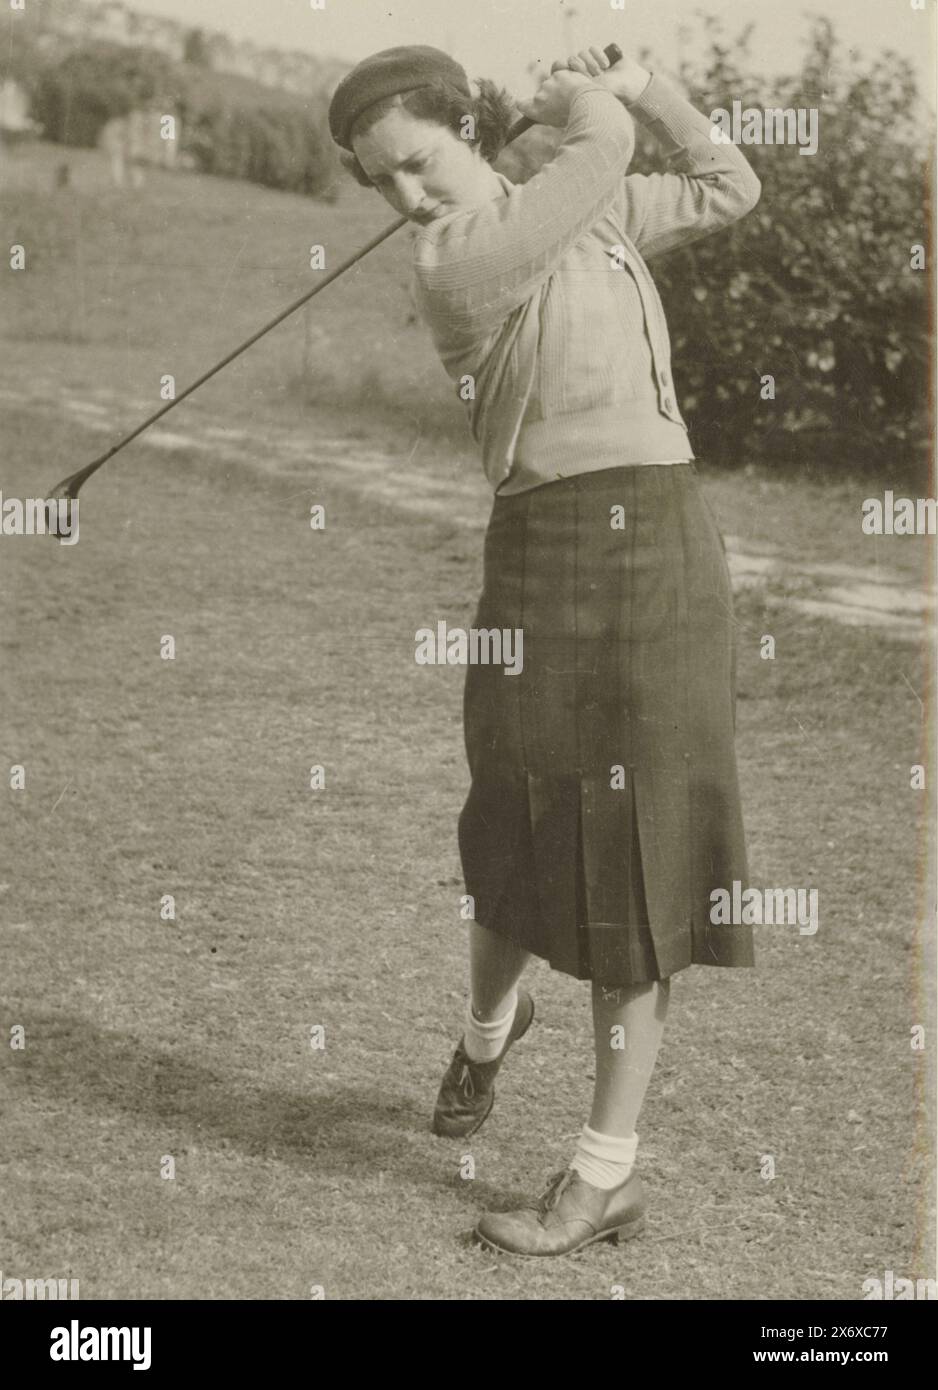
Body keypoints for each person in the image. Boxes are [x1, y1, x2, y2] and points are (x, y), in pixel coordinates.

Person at [328, 41, 761, 1257]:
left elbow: (731, 187)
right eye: (384, 183)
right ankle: (484, 1032)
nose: (407, 197)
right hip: (547, 546)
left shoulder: (576, 205)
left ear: (463, 125)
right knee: (517, 820)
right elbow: (603, 144)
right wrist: (594, 91)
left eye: (416, 161)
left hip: (663, 539)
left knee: (642, 843)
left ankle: (602, 1173)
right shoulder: (455, 260)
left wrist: (650, 77)